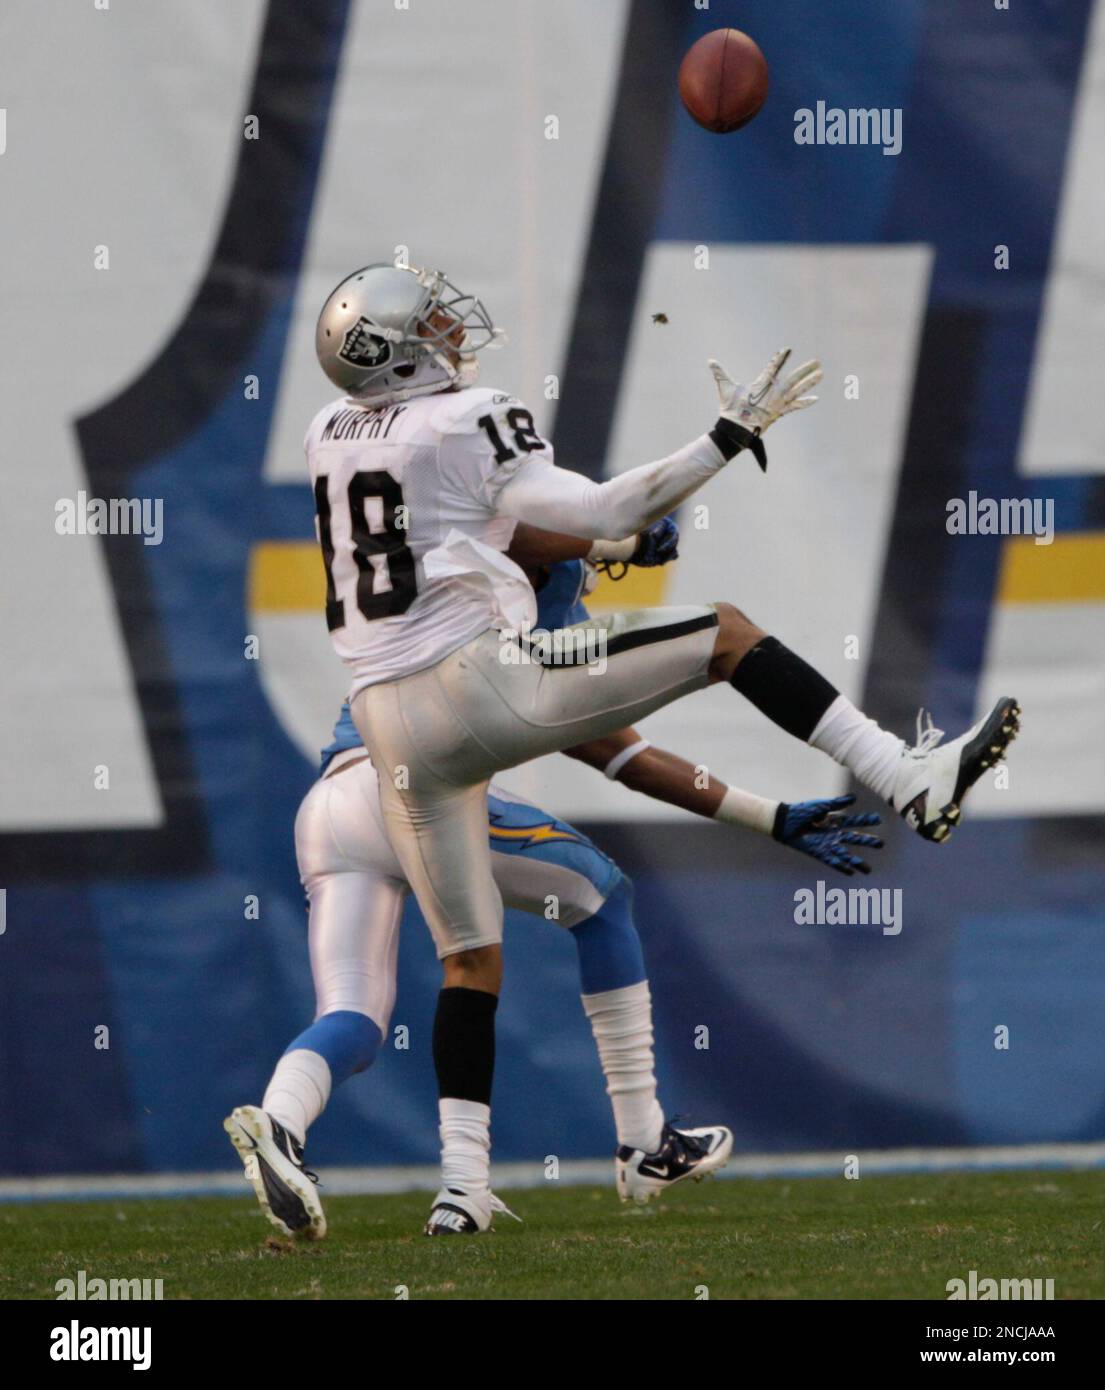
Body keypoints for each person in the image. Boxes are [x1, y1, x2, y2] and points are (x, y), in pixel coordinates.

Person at [302, 261, 1019, 1235]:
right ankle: (908, 776)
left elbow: (498, 527)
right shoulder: (463, 416)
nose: (451, 324)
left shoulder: (329, 432)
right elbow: (601, 511)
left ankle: (461, 1189)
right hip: (471, 683)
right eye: (429, 317)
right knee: (724, 632)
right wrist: (724, 438)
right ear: (400, 348)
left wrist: (605, 551)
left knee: (469, 960)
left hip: (387, 725)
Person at [224, 523, 884, 1239]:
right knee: (593, 903)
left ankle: (281, 1123)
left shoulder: (447, 599)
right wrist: (616, 541)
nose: (590, 590)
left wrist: (770, 815)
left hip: (328, 807)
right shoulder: (508, 617)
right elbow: (526, 558)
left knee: (353, 1017)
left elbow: (624, 755)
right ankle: (627, 1145)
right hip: (408, 792)